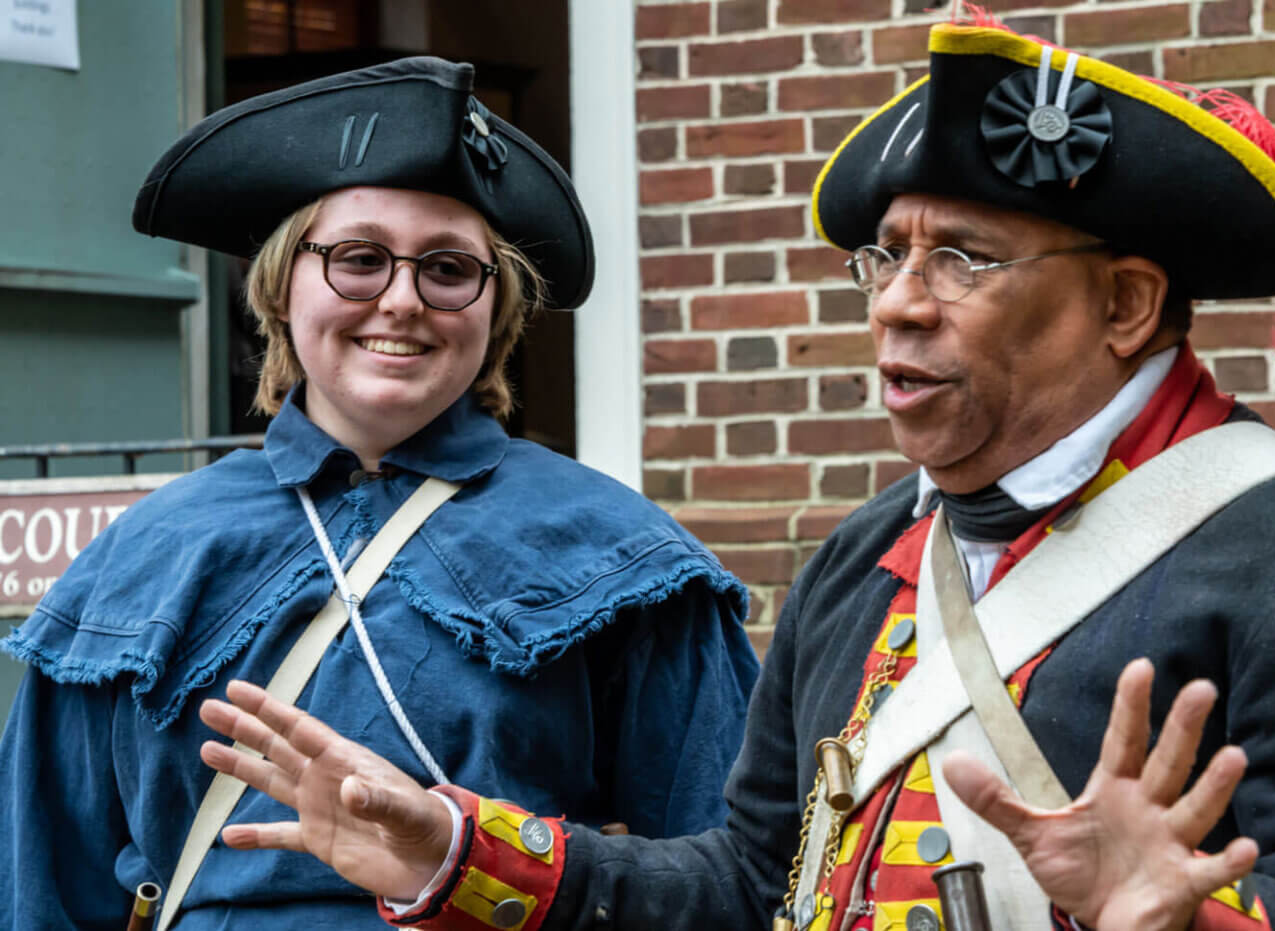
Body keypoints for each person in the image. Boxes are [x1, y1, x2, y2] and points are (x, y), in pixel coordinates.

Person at [192, 15, 1275, 931]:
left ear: (1127, 302)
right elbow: (751, 878)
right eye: (887, 256)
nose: (898, 307)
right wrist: (463, 851)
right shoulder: (863, 555)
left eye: (966, 260)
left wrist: (1198, 914)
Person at [0, 58, 759, 930]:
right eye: (359, 259)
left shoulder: (625, 553)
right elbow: (36, 885)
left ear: (494, 304)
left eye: (447, 269)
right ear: (284, 285)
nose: (402, 300)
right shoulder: (146, 550)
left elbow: (734, 876)